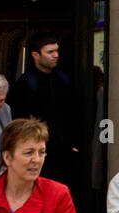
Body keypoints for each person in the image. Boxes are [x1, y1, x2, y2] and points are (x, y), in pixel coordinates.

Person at [8, 35, 79, 189]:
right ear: (35, 55)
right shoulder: (25, 85)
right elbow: (19, 123)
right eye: (50, 52)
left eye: (57, 51)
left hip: (64, 155)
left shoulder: (64, 80)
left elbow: (74, 115)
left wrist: (73, 144)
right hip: (38, 154)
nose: (56, 55)